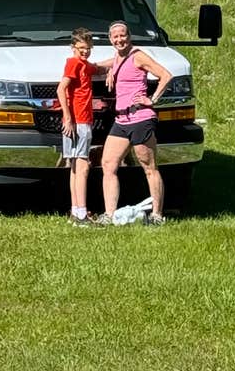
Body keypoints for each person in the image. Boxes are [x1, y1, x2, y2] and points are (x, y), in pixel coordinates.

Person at [101, 19, 172, 225]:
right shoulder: (117, 57)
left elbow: (166, 75)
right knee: (108, 164)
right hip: (121, 120)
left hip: (141, 118)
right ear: (110, 40)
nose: (119, 40)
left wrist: (153, 100)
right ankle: (109, 214)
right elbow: (106, 63)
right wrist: (90, 66)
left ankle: (157, 216)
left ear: (129, 36)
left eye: (123, 35)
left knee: (149, 167)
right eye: (115, 37)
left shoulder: (138, 56)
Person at [57, 27, 99, 222]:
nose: (85, 51)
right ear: (73, 47)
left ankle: (75, 211)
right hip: (78, 121)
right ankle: (82, 213)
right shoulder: (73, 64)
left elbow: (99, 67)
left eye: (88, 47)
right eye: (81, 47)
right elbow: (61, 89)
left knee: (74, 167)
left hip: (80, 121)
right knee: (82, 167)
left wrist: (116, 63)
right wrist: (68, 117)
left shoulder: (84, 65)